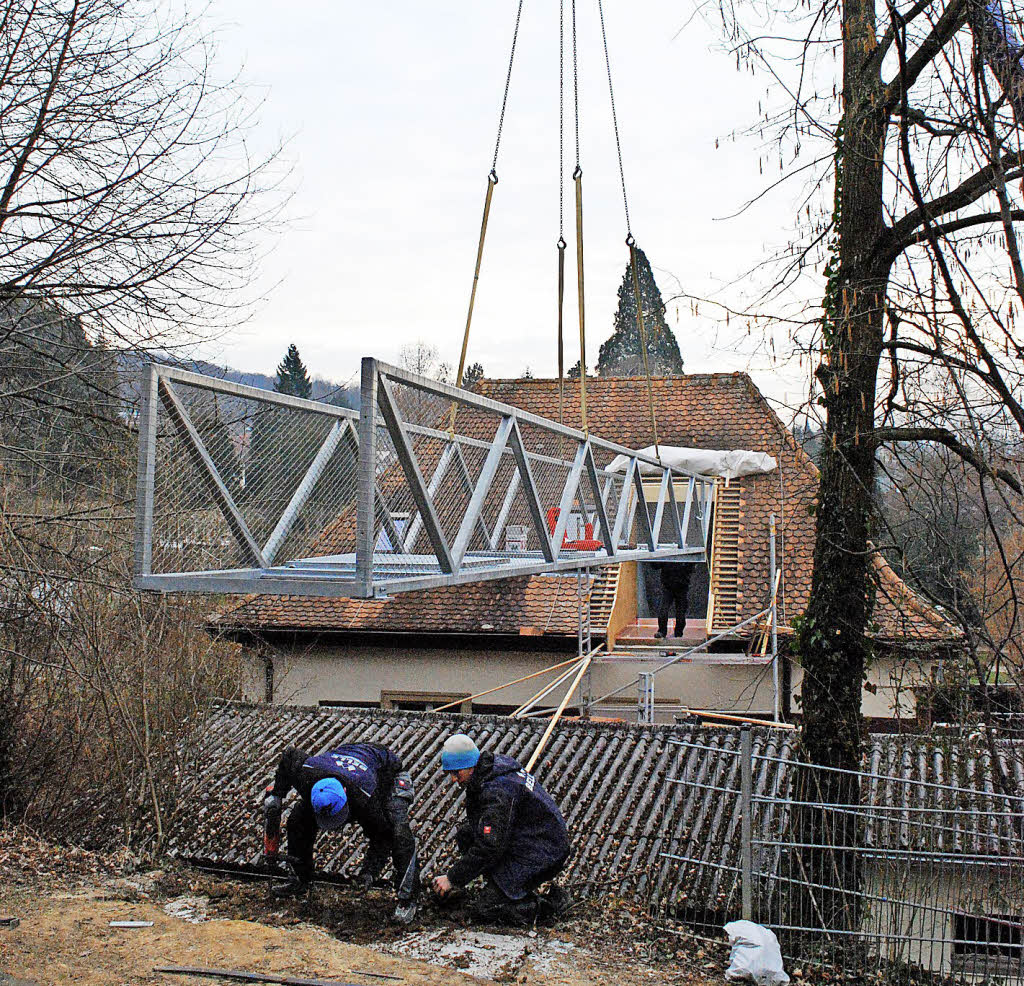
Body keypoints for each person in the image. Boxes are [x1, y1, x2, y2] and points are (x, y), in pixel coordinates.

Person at [263, 742, 419, 923]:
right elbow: (288, 755)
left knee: (398, 831)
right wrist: (277, 795)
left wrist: (368, 873)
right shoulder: (306, 774)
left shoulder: (365, 798)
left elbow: (381, 837)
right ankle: (299, 878)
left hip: (387, 774)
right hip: (340, 766)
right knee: (298, 818)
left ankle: (408, 899)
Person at [431, 734, 570, 926]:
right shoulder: (491, 768)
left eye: (457, 773)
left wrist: (453, 878)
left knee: (485, 910)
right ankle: (502, 887)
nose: (454, 780)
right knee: (467, 833)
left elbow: (490, 846)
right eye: (451, 774)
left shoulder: (498, 791)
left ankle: (547, 906)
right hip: (526, 837)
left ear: (470, 766)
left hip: (543, 850)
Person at [646, 562, 694, 639]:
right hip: (667, 586)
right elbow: (656, 566)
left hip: (682, 586)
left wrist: (686, 572)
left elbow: (691, 565)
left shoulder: (683, 553)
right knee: (663, 610)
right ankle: (662, 631)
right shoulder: (668, 552)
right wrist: (651, 558)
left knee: (681, 612)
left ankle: (678, 633)